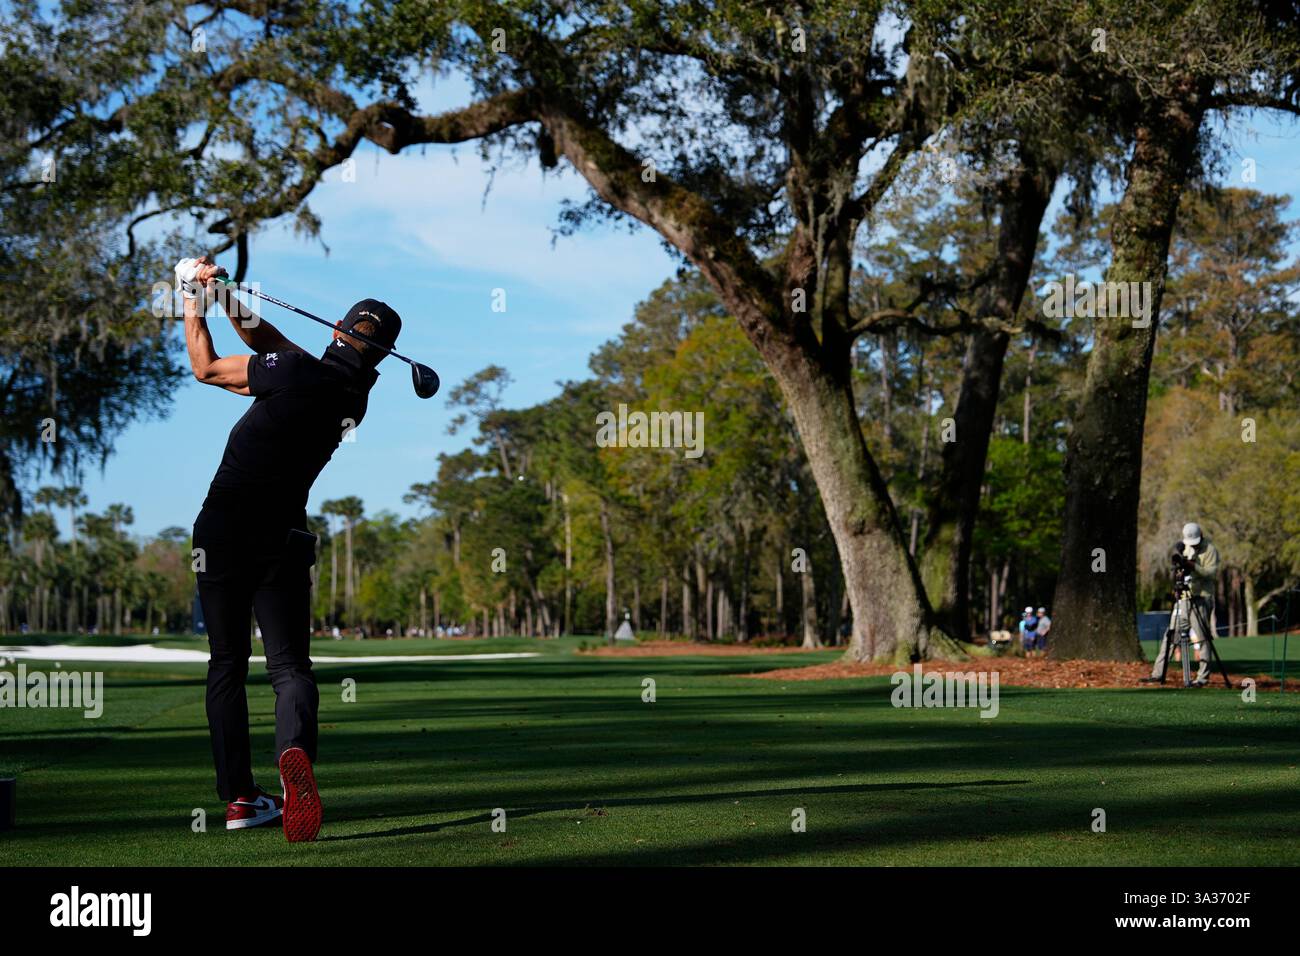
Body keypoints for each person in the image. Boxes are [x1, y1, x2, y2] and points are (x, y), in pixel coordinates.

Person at [178, 255, 402, 841]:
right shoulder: (354, 398)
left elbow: (204, 368)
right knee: (289, 668)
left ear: (336, 331)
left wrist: (190, 296)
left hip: (222, 531)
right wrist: (224, 294)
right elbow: (271, 341)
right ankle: (294, 756)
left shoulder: (298, 372)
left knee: (227, 662)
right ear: (380, 356)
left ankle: (239, 801)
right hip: (283, 536)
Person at [1143, 522, 1220, 686]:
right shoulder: (1184, 547)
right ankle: (1158, 674)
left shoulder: (1210, 550)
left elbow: (1211, 574)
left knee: (1202, 639)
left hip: (1201, 598)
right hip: (1183, 598)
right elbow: (1180, 567)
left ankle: (1202, 678)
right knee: (1170, 636)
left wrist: (1194, 566)